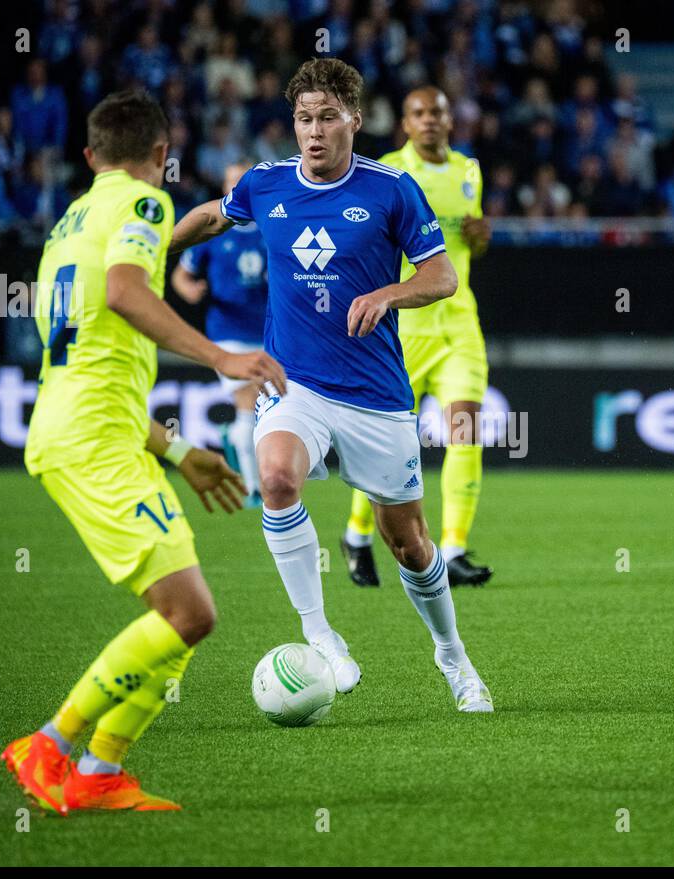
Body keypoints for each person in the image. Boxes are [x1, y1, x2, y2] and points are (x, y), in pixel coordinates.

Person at [170, 58, 493, 713]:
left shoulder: (392, 189)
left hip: (375, 394)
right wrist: (157, 254)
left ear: (355, 119)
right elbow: (212, 216)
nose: (312, 132)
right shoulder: (266, 184)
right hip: (296, 382)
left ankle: (453, 658)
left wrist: (390, 293)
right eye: (302, 119)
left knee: (407, 541)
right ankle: (320, 634)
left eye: (326, 118)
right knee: (280, 480)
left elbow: (442, 277)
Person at [3, 90, 286, 813]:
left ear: (90, 155)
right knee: (191, 613)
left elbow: (93, 352)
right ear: (162, 156)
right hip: (95, 438)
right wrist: (219, 355)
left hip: (87, 427)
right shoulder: (144, 203)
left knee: (182, 613)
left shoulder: (67, 225)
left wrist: (180, 449)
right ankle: (53, 745)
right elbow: (129, 293)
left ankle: (100, 773)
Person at [341, 86, 493, 589]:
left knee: (465, 431)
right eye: (420, 114)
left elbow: (469, 246)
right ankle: (358, 534)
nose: (430, 121)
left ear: (451, 121)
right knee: (387, 445)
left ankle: (452, 548)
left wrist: (481, 238)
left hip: (459, 322)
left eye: (438, 113)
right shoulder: (388, 171)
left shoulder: (469, 170)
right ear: (405, 123)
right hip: (404, 327)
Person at [172, 162, 271, 504]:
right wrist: (191, 291)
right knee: (248, 401)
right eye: (231, 182)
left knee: (266, 408)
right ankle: (253, 488)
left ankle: (240, 447)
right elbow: (180, 277)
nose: (236, 189)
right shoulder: (211, 231)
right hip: (226, 332)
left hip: (265, 330)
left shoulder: (269, 229)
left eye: (243, 183)